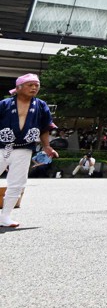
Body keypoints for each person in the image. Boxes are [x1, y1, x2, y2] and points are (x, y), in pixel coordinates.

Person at [0, 73, 58, 227]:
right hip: (2, 146)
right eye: (30, 85)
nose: (34, 88)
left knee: (17, 183)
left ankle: (5, 216)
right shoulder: (4, 104)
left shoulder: (41, 105)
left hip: (24, 149)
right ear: (18, 88)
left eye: (36, 85)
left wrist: (46, 146)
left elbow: (45, 128)